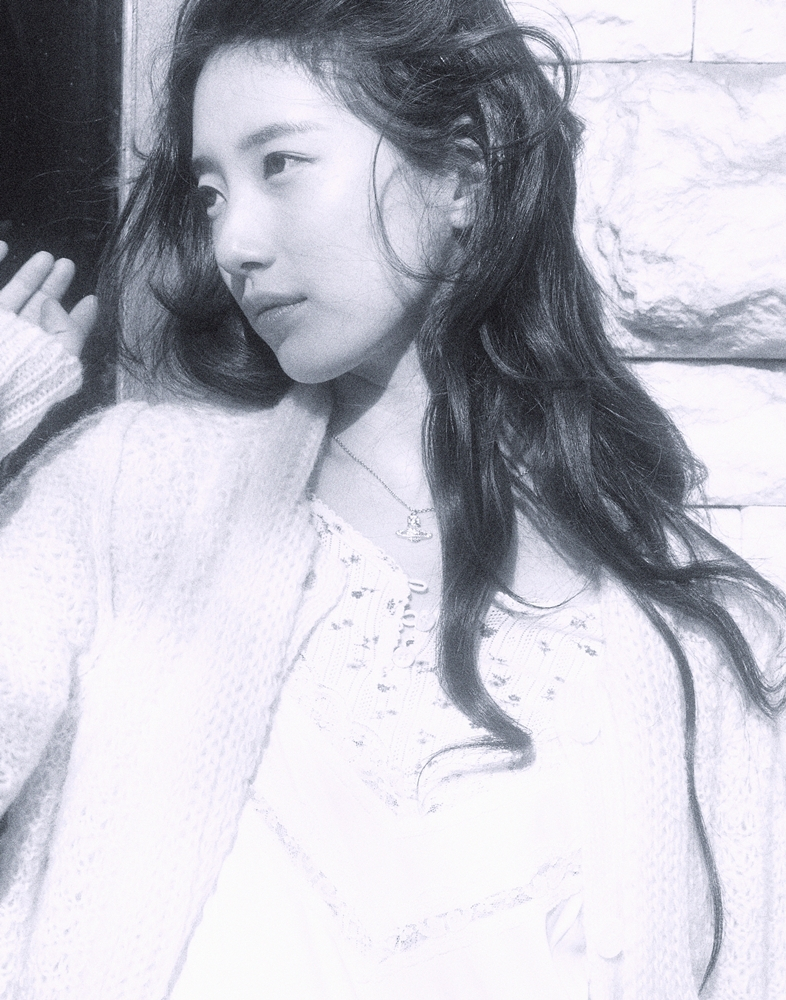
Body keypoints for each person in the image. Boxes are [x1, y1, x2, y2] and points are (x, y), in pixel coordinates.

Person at [0, 0, 784, 997]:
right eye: (209, 193)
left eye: (280, 163)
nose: (232, 239)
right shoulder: (126, 504)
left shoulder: (707, 638)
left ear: (461, 174)